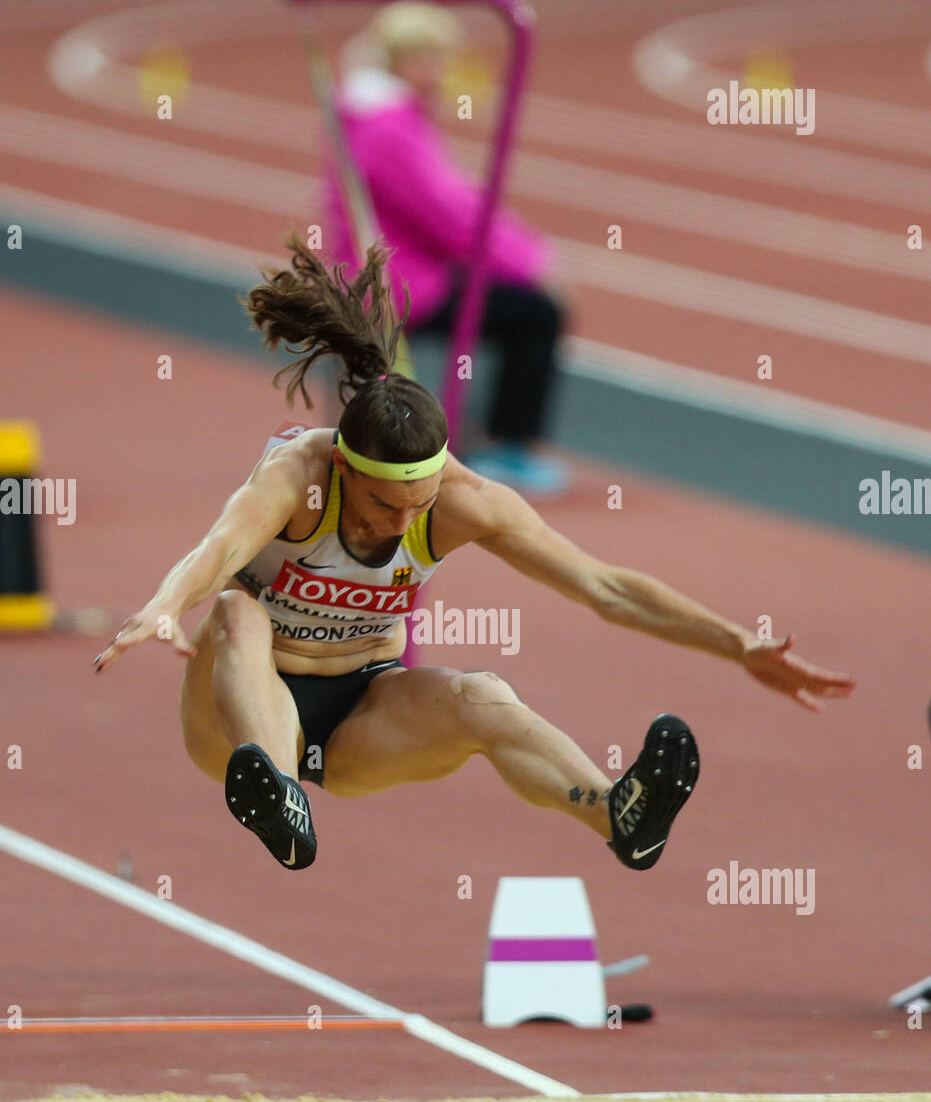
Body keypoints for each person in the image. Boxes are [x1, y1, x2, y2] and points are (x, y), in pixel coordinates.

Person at [93, 235, 856, 876]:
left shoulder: (458, 499)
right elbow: (221, 544)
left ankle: (618, 815)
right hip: (238, 722)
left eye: (418, 502)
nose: (404, 520)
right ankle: (277, 797)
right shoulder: (297, 476)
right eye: (386, 504)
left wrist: (738, 643)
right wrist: (163, 605)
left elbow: (605, 588)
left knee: (483, 696)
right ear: (346, 469)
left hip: (361, 715)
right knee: (234, 612)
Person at [323, 0, 572, 495]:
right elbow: (447, 217)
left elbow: (444, 206)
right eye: (432, 59)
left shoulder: (362, 113)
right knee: (538, 312)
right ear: (403, 60)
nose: (439, 72)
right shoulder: (389, 127)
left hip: (383, 273)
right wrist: (529, 261)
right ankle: (508, 447)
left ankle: (472, 436)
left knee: (512, 304)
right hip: (401, 286)